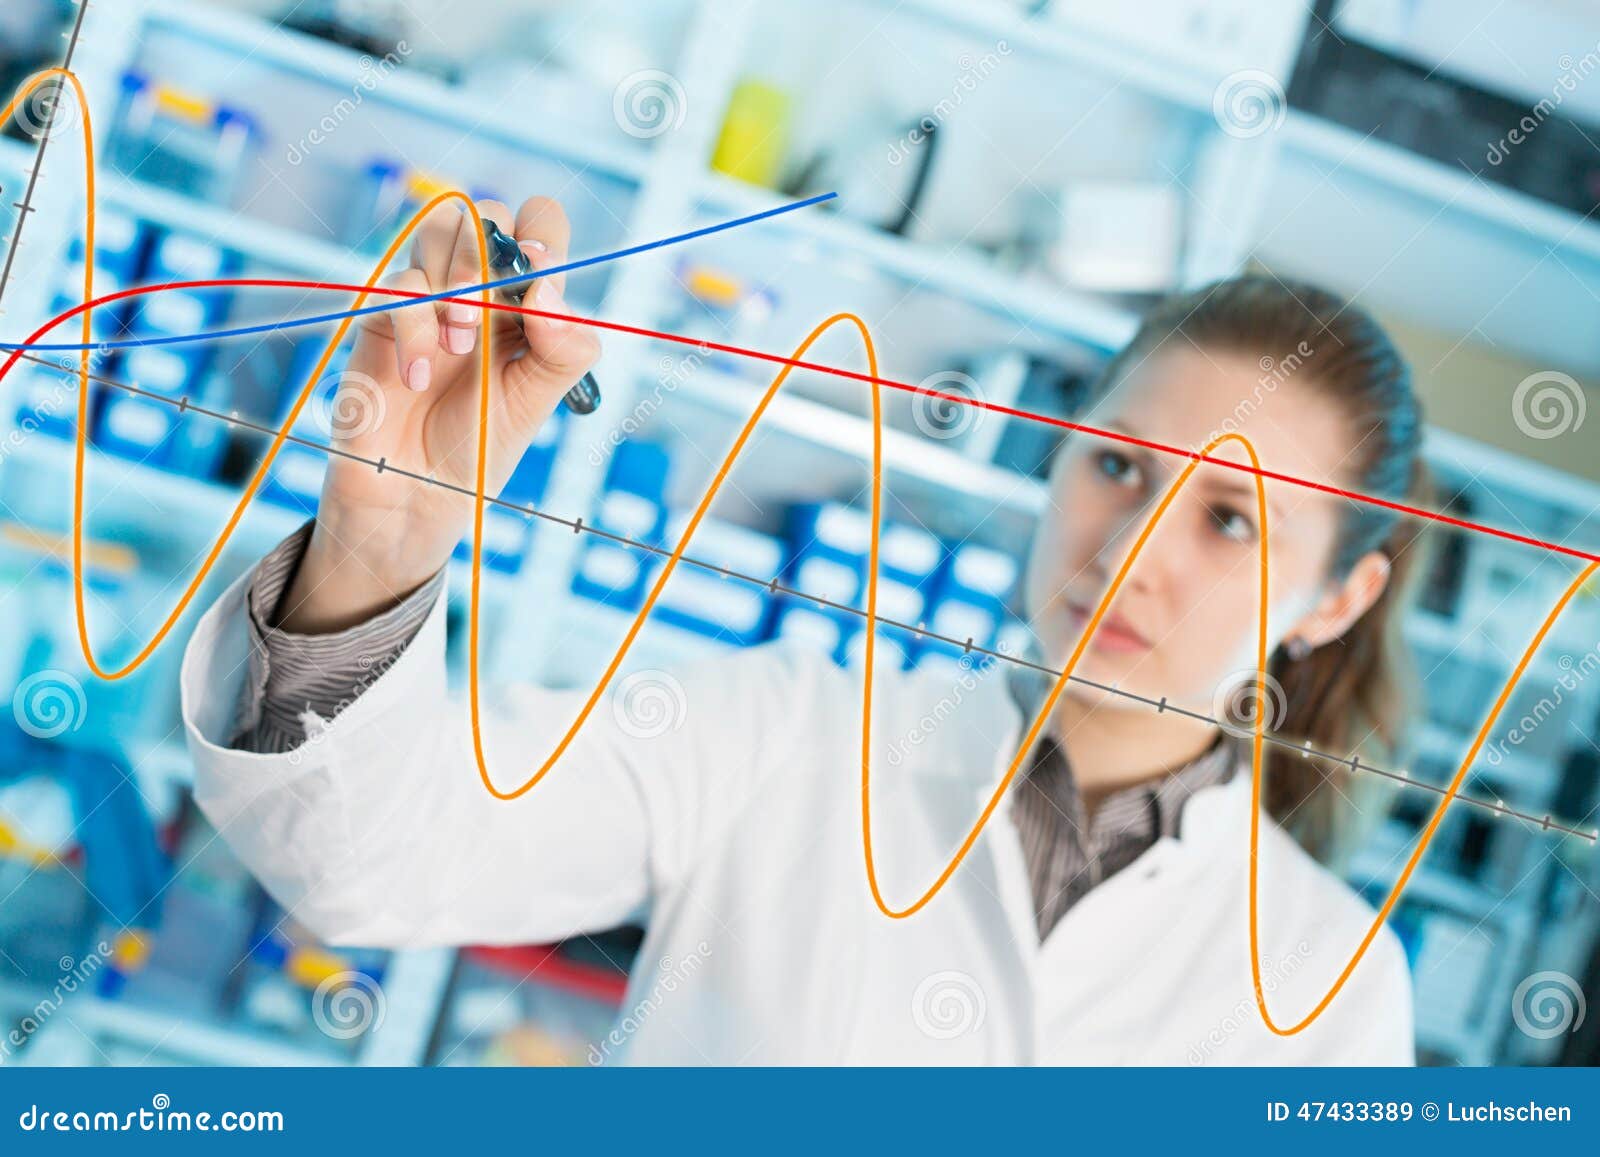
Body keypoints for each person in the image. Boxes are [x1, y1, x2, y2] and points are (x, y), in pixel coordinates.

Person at [179, 195, 1429, 1064]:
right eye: (1117, 465)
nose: (1127, 551)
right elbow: (370, 859)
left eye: (1230, 520)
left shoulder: (1331, 990)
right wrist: (380, 550)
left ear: (1337, 597)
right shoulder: (784, 730)